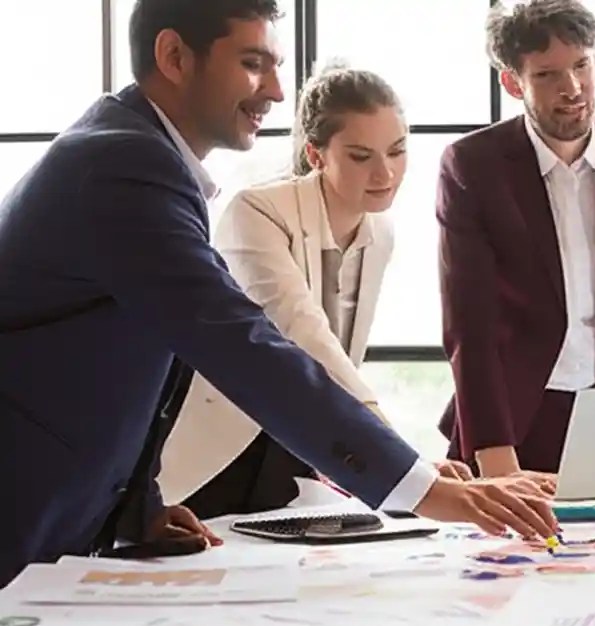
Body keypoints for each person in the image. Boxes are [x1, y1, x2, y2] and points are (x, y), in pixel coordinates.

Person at [0, 0, 554, 587]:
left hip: (58, 509)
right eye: (252, 63)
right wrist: (421, 488)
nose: (274, 91)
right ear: (174, 57)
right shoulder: (124, 166)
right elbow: (244, 344)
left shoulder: (136, 153)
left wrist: (137, 507)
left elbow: (117, 355)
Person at [155, 65, 552, 519]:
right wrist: (411, 468)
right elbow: (309, 344)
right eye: (361, 156)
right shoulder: (256, 212)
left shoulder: (378, 232)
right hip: (215, 457)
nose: (385, 173)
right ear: (317, 154)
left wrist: (411, 468)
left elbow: (340, 366)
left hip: (298, 455)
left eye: (397, 151)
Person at [437, 0, 595, 477]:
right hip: (510, 417)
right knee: (498, 554)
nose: (572, 89)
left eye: (581, 65)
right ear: (513, 82)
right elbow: (471, 322)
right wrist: (492, 448)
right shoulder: (472, 166)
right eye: (547, 75)